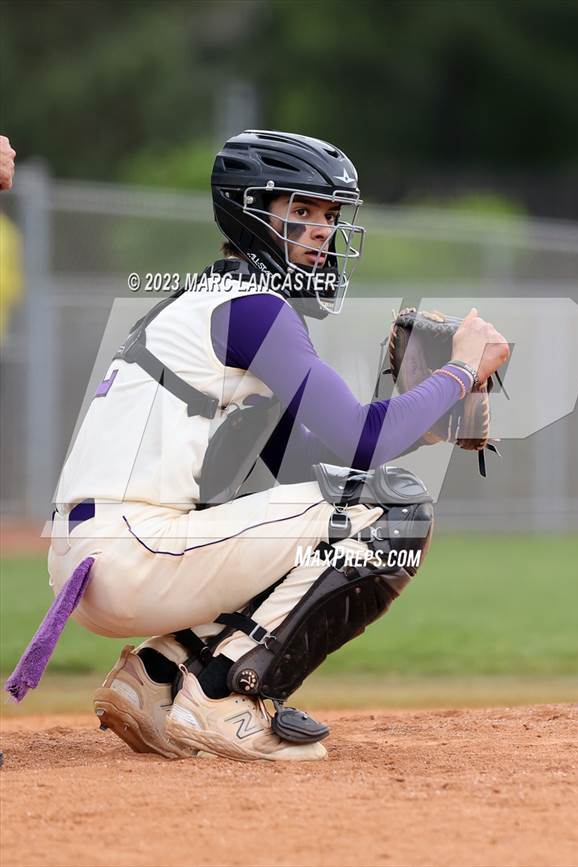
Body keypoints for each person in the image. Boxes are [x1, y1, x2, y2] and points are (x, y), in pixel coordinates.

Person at [47, 130, 509, 762]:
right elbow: (361, 439)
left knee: (332, 507)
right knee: (398, 509)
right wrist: (459, 370)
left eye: (330, 215)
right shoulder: (253, 307)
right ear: (249, 212)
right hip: (134, 553)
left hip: (102, 558)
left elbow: (311, 463)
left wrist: (428, 424)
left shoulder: (205, 302)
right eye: (302, 210)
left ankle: (154, 677)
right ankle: (222, 696)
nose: (323, 231)